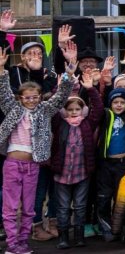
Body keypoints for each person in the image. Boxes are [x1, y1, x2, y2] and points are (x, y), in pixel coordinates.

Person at [0, 45, 76, 254]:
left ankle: (23, 243)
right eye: (27, 97)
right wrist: (1, 70)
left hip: (33, 164)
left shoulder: (44, 110)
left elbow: (61, 96)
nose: (31, 100)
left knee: (29, 208)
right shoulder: (13, 108)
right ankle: (12, 244)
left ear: (40, 96)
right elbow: (4, 93)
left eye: (35, 97)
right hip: (13, 164)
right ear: (21, 97)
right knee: (10, 207)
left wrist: (69, 70)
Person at [51, 66, 102, 249]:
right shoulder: (58, 123)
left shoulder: (87, 123)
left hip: (82, 173)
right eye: (70, 109)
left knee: (80, 205)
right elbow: (55, 105)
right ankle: (64, 236)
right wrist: (61, 87)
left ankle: (80, 235)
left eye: (77, 109)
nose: (73, 112)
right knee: (63, 207)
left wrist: (90, 89)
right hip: (62, 174)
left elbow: (98, 109)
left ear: (83, 110)